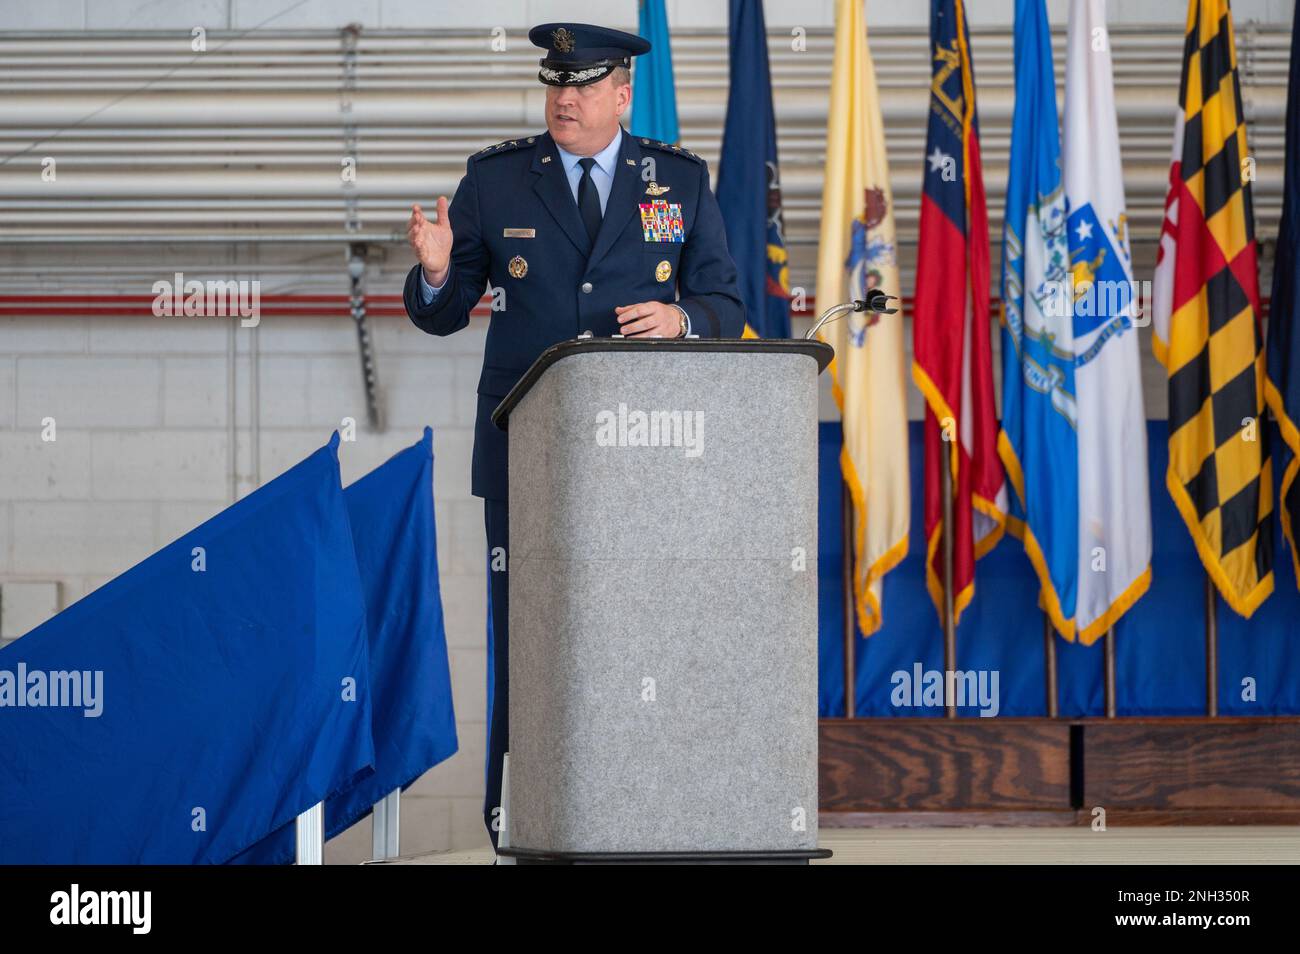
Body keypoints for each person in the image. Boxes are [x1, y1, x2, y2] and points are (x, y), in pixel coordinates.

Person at [403, 21, 745, 850]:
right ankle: (519, 817)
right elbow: (442, 316)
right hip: (531, 458)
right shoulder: (498, 182)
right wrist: (441, 270)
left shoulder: (681, 181)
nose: (565, 99)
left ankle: (651, 814)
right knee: (527, 639)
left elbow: (729, 308)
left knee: (649, 635)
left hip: (649, 459)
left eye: (584, 86)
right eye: (556, 84)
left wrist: (682, 318)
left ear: (621, 96)